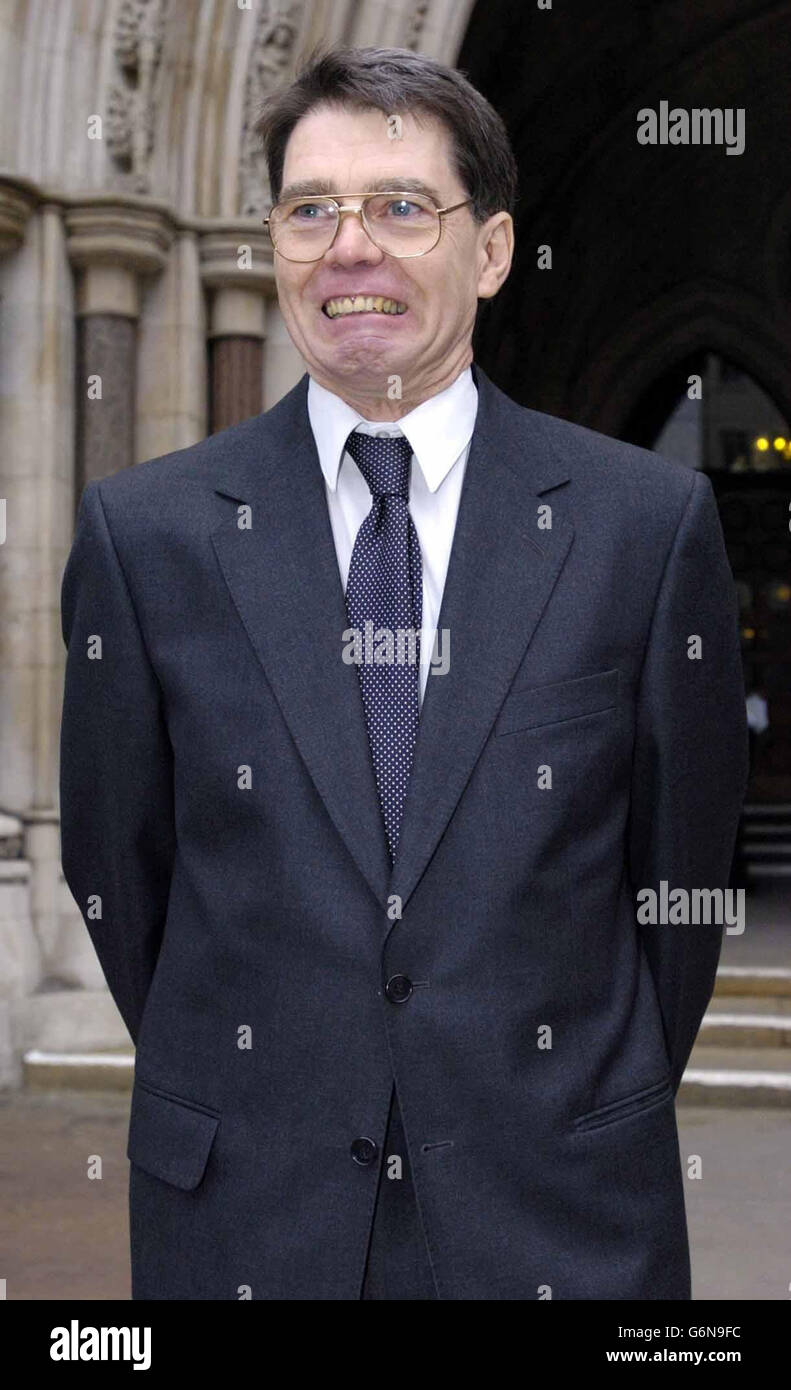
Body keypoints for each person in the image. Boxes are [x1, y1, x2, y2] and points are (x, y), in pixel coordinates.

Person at [59, 45, 749, 1300]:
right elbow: (122, 871)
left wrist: (561, 1090)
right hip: (243, 1220)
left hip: (559, 1215)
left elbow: (676, 883)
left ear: (487, 253)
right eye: (309, 208)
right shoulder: (146, 535)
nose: (349, 247)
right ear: (272, 246)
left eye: (397, 207)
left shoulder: (639, 528)